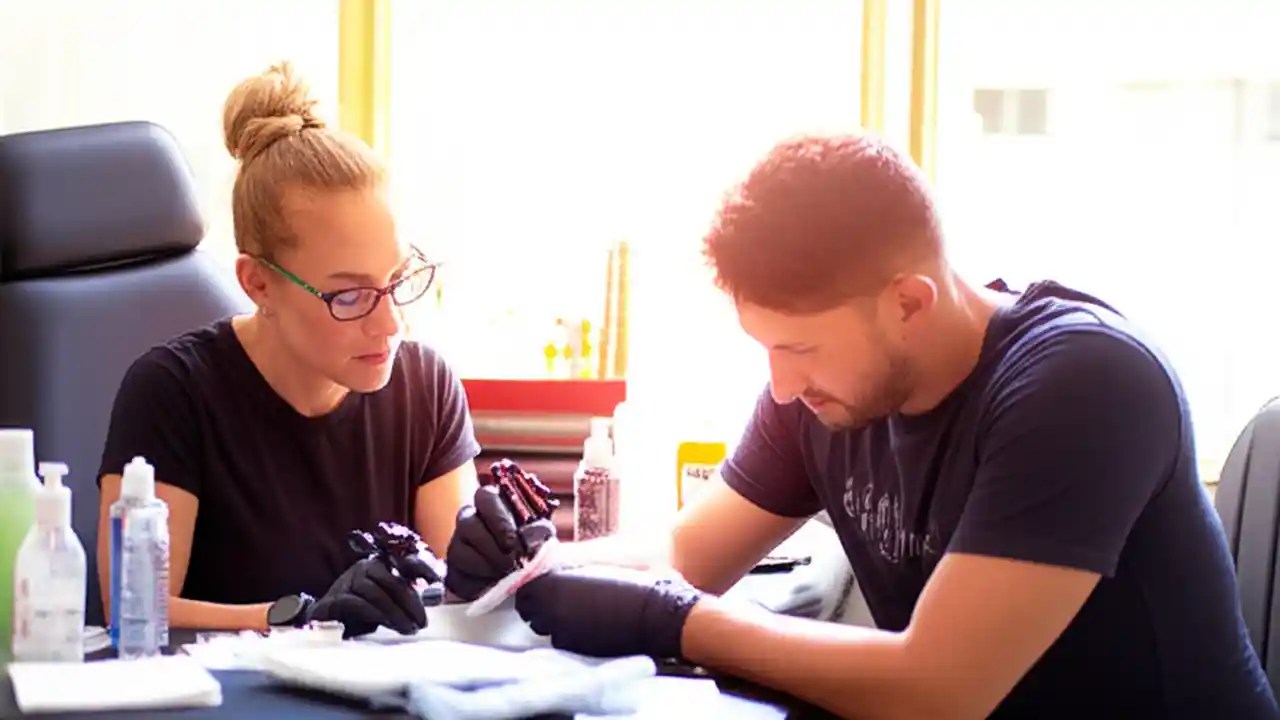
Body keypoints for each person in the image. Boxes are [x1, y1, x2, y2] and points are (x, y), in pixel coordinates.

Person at [446, 134, 1279, 718]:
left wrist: (676, 621)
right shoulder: (824, 393)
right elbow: (688, 555)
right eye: (765, 348)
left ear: (909, 302)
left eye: (798, 347)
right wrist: (530, 563)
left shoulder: (1083, 384)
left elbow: (936, 692)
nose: (780, 383)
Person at [96, 62, 480, 638]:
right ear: (258, 284)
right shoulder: (171, 393)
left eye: (398, 279)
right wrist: (306, 618)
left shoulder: (425, 387)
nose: (389, 323)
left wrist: (502, 569)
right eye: (349, 295)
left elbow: (460, 595)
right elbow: (134, 611)